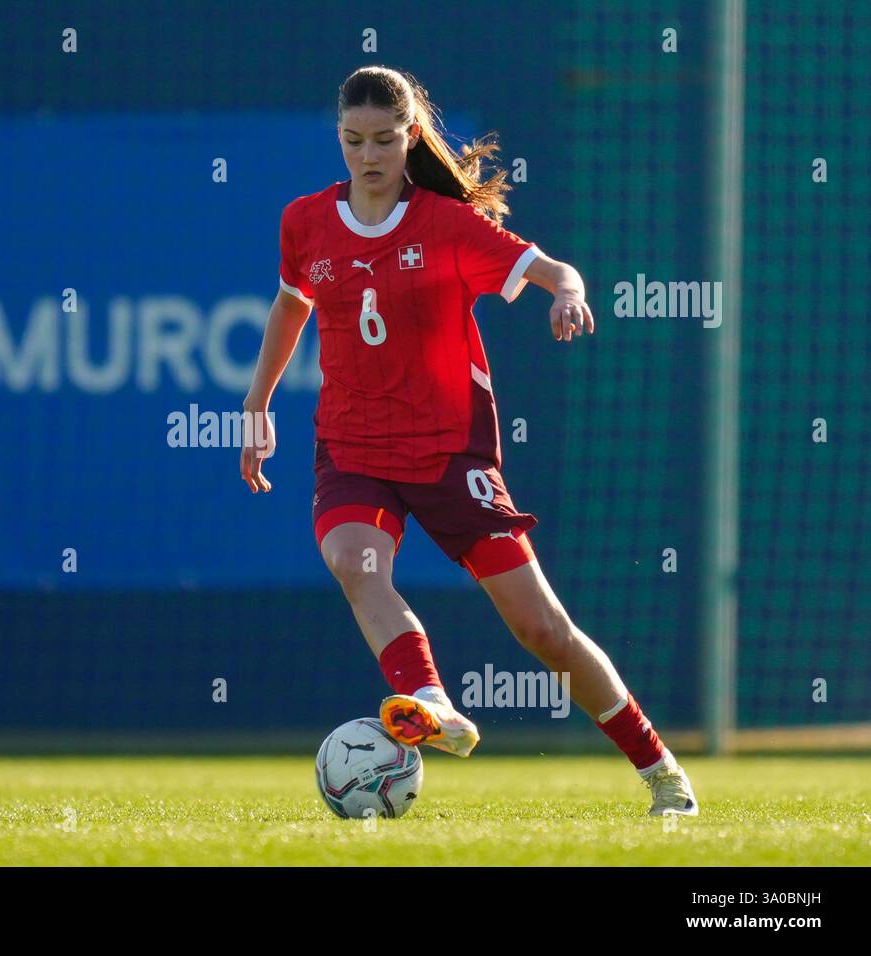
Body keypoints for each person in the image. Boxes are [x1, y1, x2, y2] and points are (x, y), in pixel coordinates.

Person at [239, 65, 698, 817]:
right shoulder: (306, 222)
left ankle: (662, 772)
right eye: (353, 141)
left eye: (385, 140)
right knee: (357, 564)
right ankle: (429, 700)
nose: (369, 156)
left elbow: (553, 269)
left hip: (452, 455)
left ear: (411, 136)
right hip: (353, 450)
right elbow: (293, 305)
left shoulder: (446, 226)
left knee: (542, 630)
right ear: (339, 141)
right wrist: (258, 403)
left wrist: (572, 294)